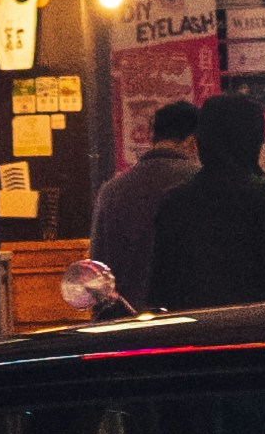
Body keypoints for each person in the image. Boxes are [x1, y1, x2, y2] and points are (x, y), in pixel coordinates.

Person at [144, 90, 265, 309]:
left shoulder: (174, 203)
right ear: (254, 139)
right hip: (260, 331)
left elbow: (160, 287)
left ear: (204, 141)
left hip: (195, 332)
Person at [83, 98, 202, 312]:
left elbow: (96, 269)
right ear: (192, 142)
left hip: (125, 320)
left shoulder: (111, 190)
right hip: (183, 318)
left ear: (153, 137)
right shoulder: (197, 183)